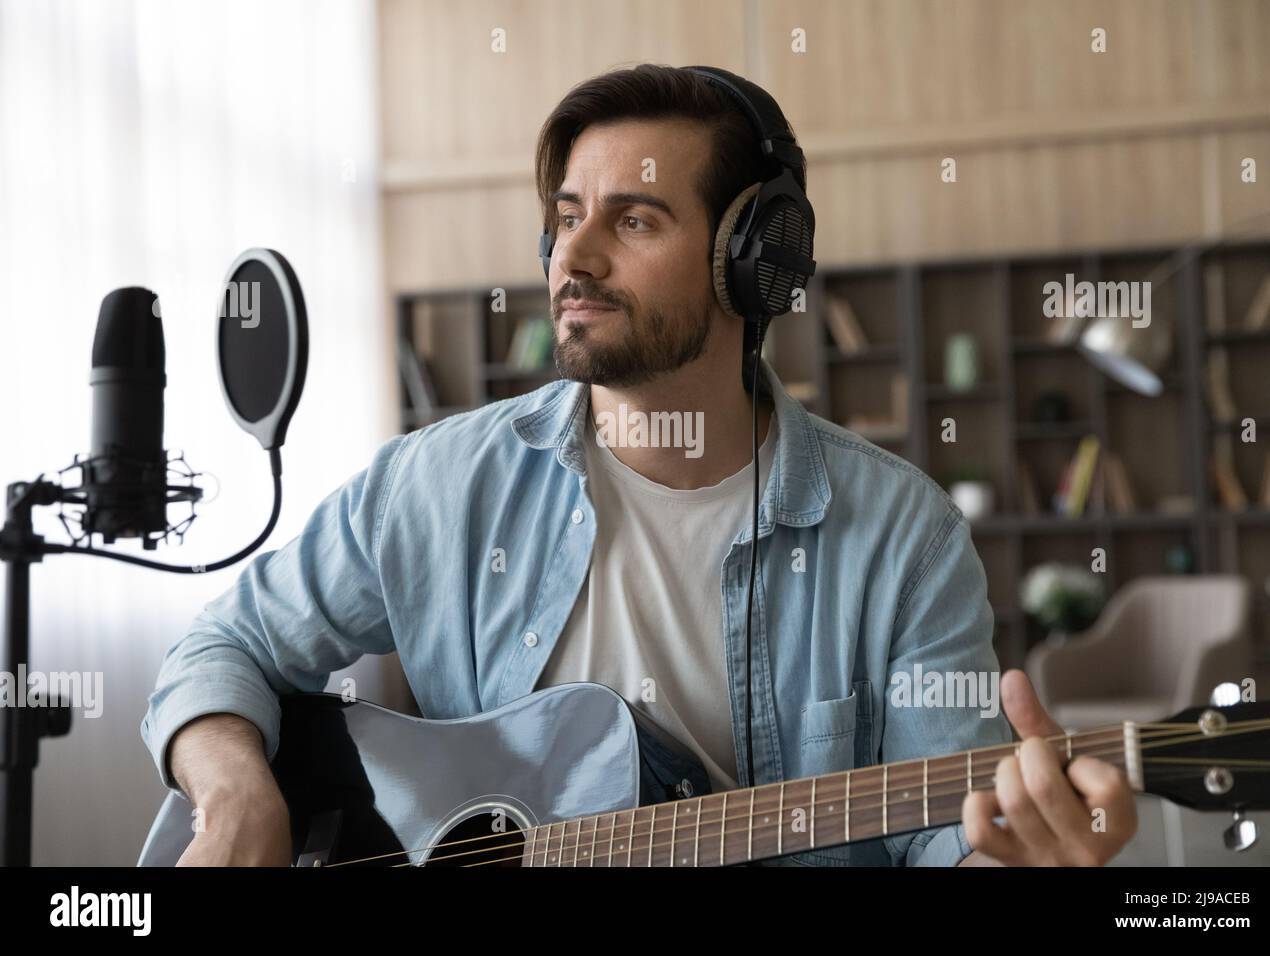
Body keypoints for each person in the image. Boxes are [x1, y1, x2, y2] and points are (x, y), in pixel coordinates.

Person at [142, 63, 1136, 867]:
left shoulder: (903, 539)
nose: (572, 258)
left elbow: (940, 832)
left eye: (632, 220)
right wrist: (235, 802)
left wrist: (1017, 856)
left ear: (753, 262)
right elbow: (219, 650)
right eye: (565, 216)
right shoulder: (435, 485)